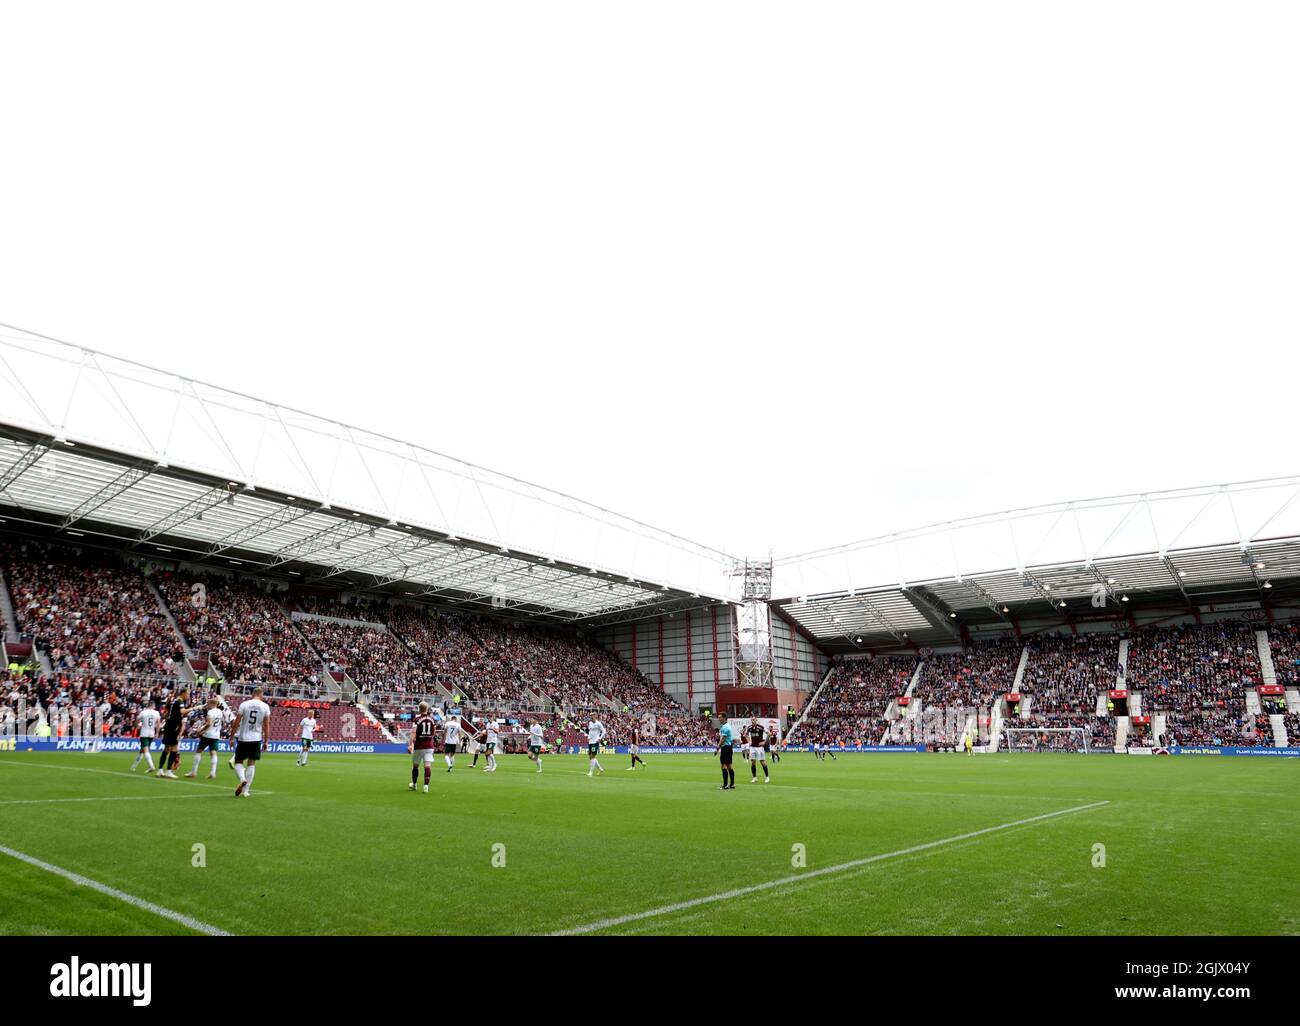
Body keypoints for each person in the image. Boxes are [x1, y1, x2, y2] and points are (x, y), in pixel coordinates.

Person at [230, 686, 271, 798]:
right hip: (256, 738)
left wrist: (232, 737)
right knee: (251, 763)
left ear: (253, 694)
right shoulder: (265, 706)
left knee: (238, 761)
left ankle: (242, 778)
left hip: (243, 738)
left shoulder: (244, 704)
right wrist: (266, 741)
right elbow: (266, 725)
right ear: (261, 694)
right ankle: (246, 791)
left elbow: (236, 723)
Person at [185, 698, 224, 779]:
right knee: (213, 753)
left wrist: (201, 730)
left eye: (208, 704)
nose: (207, 705)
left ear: (211, 704)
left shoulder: (211, 712)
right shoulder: (220, 712)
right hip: (216, 735)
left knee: (199, 751)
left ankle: (193, 772)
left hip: (208, 734)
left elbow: (209, 723)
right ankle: (213, 772)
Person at [158, 688, 189, 779]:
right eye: (187, 693)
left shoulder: (173, 701)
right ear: (183, 693)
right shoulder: (180, 702)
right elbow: (182, 711)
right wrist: (194, 708)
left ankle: (160, 770)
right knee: (174, 748)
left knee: (167, 748)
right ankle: (168, 771)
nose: (188, 695)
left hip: (169, 725)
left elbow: (166, 712)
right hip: (173, 726)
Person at [408, 701, 437, 793]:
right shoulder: (432, 719)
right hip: (429, 745)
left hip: (419, 745)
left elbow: (413, 732)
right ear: (427, 709)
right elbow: (434, 731)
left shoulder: (417, 719)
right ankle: (426, 786)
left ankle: (414, 784)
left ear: (419, 709)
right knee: (427, 765)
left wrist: (410, 745)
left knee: (416, 766)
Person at [129, 700, 160, 774]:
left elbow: (137, 719)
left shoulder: (143, 712)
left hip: (144, 733)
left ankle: (151, 766)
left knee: (145, 750)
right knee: (142, 751)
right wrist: (157, 733)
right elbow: (158, 723)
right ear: (152, 706)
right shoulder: (156, 713)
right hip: (152, 733)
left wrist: (136, 726)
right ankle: (133, 767)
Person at [715, 713, 736, 790]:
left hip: (725, 748)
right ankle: (732, 784)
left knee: (723, 765)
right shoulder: (728, 726)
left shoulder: (725, 727)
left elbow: (723, 739)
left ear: (724, 718)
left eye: (720, 717)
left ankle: (725, 785)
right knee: (729, 766)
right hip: (729, 747)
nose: (719, 719)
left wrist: (718, 747)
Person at [747, 718, 770, 783]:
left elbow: (769, 733)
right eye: (751, 720)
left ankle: (767, 777)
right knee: (753, 762)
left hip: (759, 747)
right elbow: (745, 734)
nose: (752, 721)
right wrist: (749, 741)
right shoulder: (749, 727)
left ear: (757, 721)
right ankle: (754, 778)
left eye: (754, 720)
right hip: (752, 747)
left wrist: (765, 742)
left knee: (762, 762)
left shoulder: (761, 727)